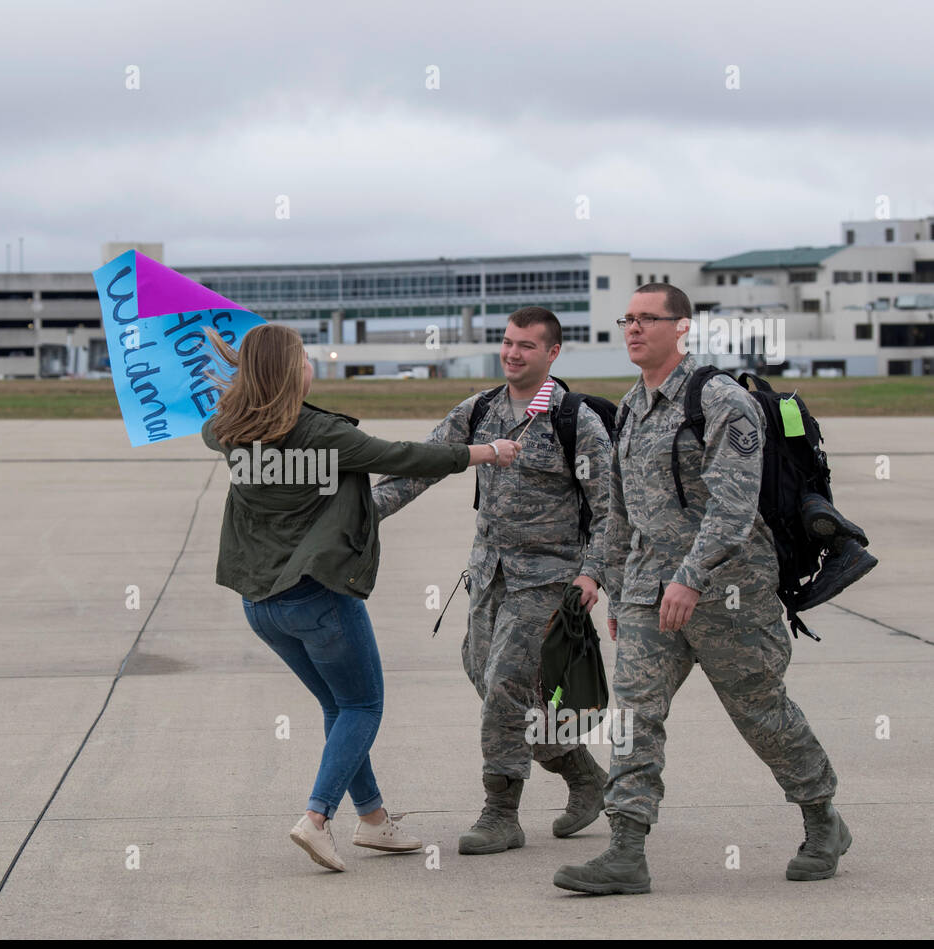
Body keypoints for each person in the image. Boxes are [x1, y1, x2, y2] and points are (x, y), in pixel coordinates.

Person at [553, 283, 849, 895]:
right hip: (647, 592)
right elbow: (620, 512)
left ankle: (822, 819)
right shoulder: (632, 405)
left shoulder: (718, 400)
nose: (633, 329)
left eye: (647, 319)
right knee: (634, 716)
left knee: (760, 713)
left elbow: (735, 507)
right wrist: (610, 582)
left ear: (682, 327)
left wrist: (690, 579)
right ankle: (626, 851)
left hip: (728, 592)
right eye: (626, 319)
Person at [200, 323, 516, 872]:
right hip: (316, 597)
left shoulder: (226, 430)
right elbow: (404, 456)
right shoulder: (323, 434)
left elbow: (225, 420)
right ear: (287, 369)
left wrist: (242, 387)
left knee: (338, 705)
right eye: (302, 356)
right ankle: (316, 818)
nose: (310, 363)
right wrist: (486, 451)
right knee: (364, 705)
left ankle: (373, 821)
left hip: (262, 605)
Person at [372, 307, 613, 855]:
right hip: (488, 574)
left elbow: (609, 510)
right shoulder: (478, 409)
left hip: (548, 580)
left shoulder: (574, 421)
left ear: (552, 354)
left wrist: (594, 573)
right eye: (507, 342)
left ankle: (501, 811)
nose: (512, 353)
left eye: (527, 345)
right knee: (484, 674)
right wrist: (363, 512)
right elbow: (424, 464)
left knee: (505, 682)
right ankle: (582, 773)